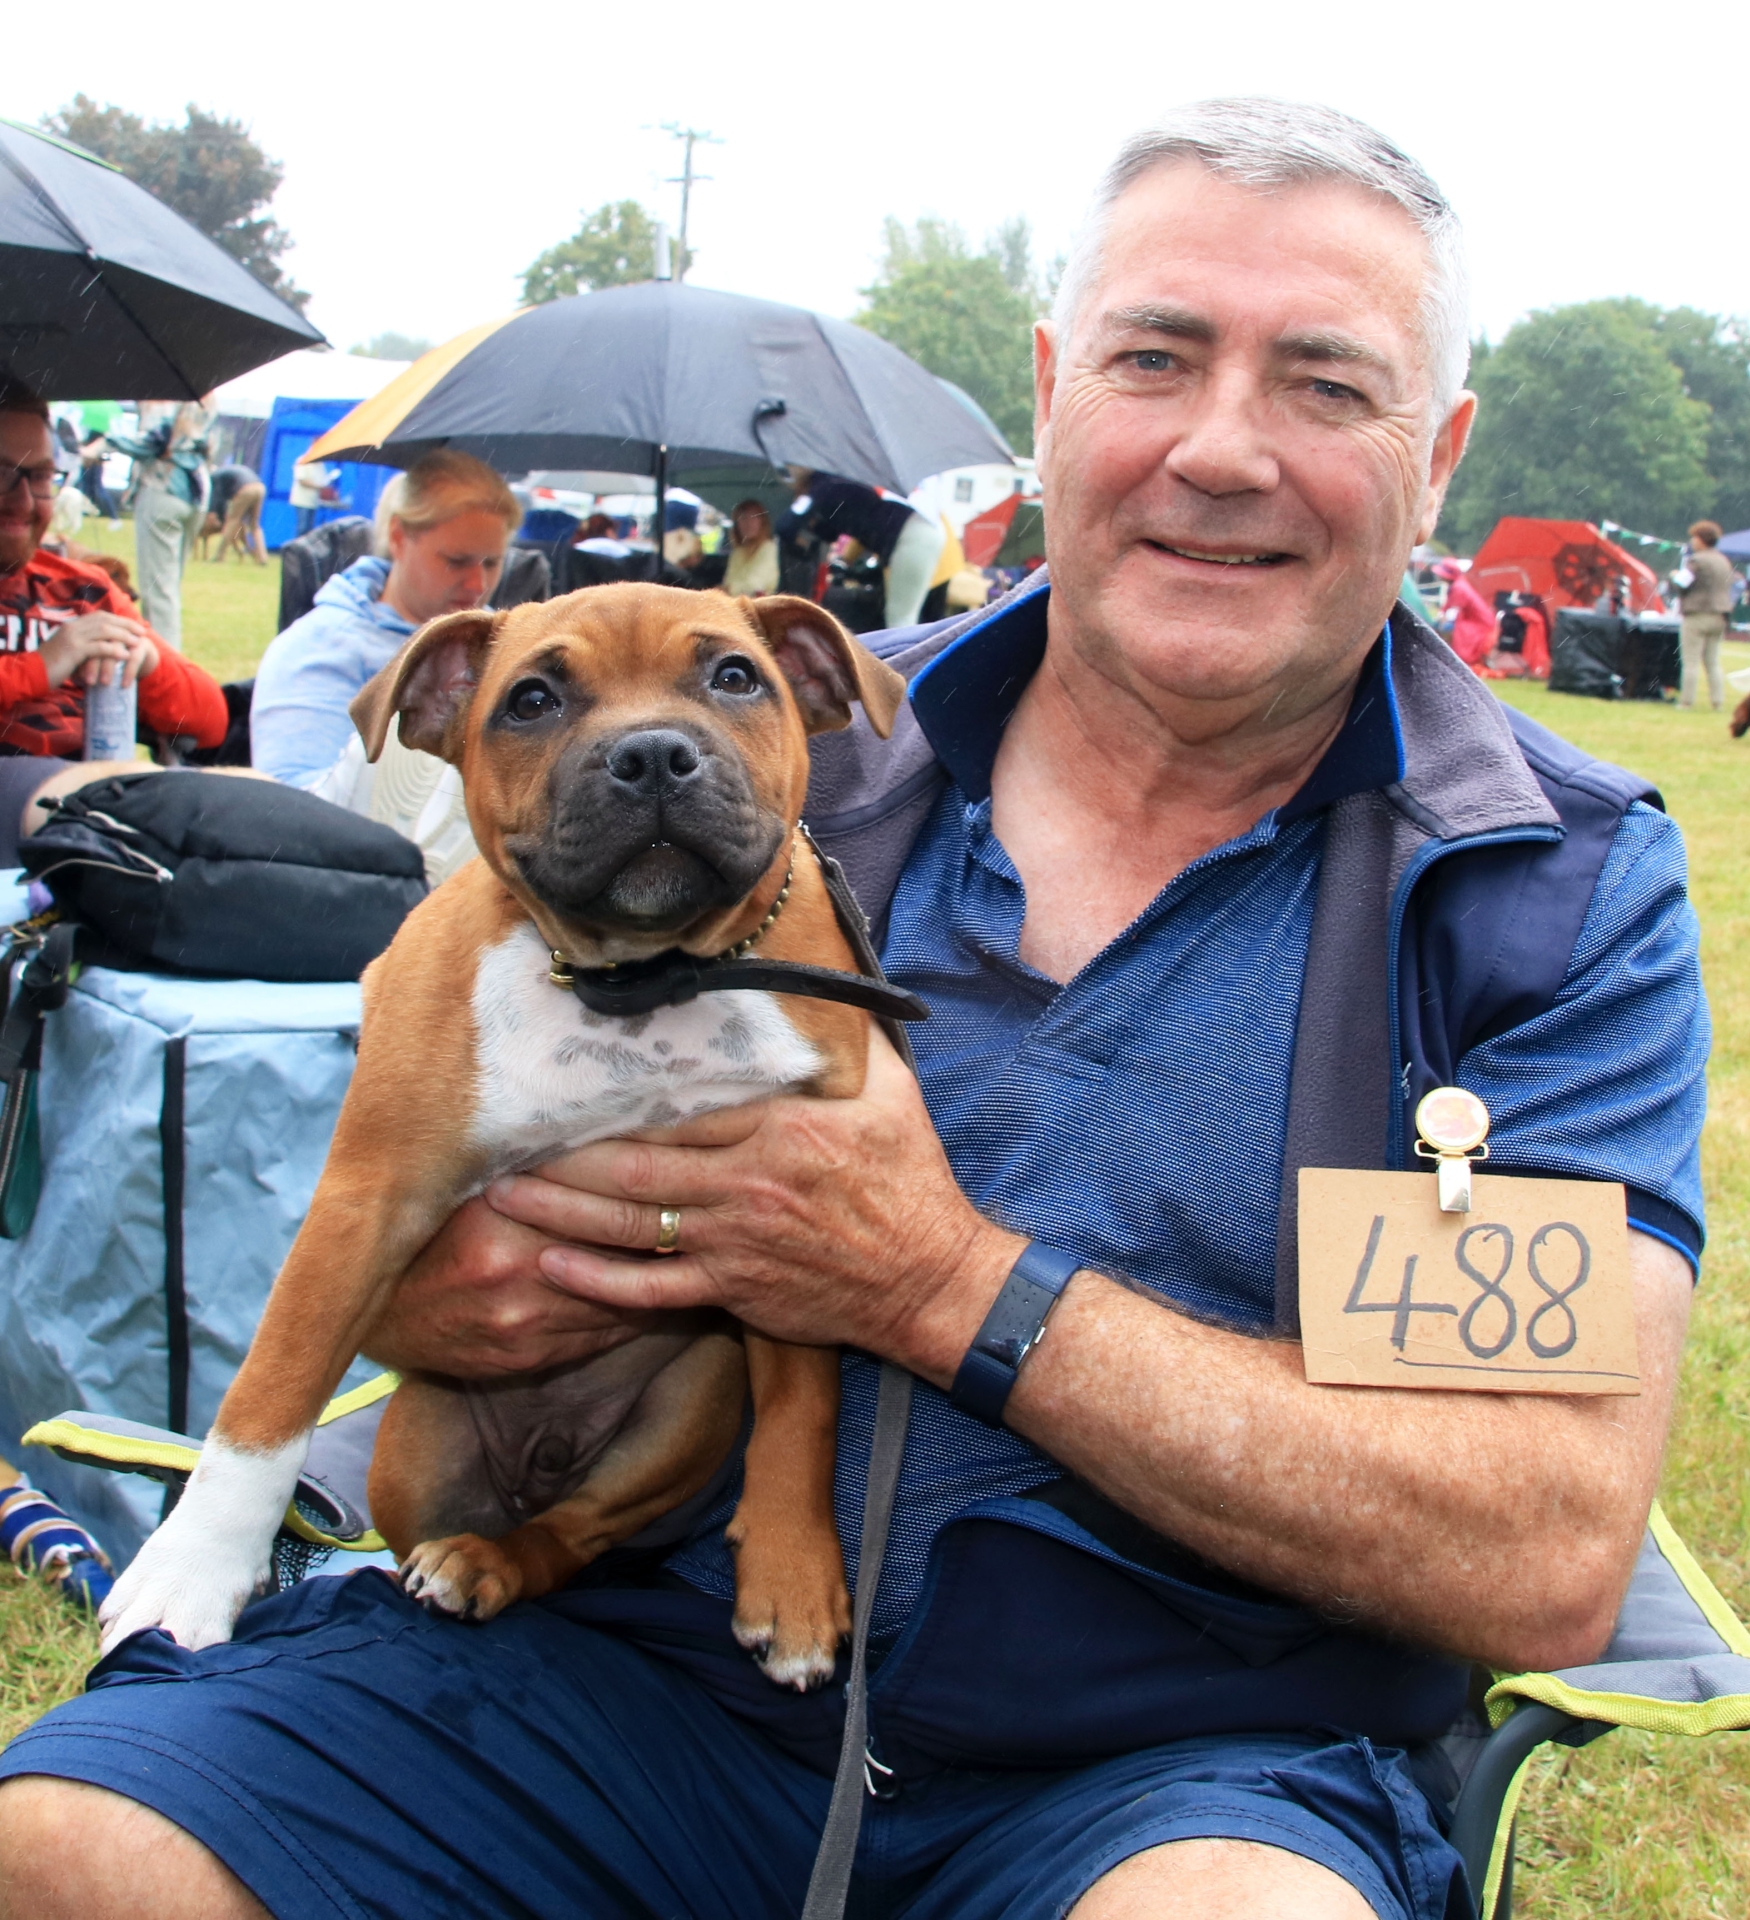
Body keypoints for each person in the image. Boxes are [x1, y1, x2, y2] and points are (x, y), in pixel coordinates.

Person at [0, 100, 1707, 1920]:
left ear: (1436, 457)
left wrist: (946, 1285)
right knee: (75, 1854)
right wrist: (452, 1288)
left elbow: (1531, 1548)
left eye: (1324, 385)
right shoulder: (764, 734)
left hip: (1180, 1755)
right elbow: (411, 1140)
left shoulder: (1536, 894)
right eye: (1154, 359)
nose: (1220, 450)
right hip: (604, 1653)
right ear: (1049, 394)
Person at [0, 382, 228, 865]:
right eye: (1, 474)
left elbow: (209, 721)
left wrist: (146, 664)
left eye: (40, 476)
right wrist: (42, 665)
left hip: (103, 807)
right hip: (50, 811)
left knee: (261, 810)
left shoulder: (82, 590)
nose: (24, 501)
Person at [250, 450, 518, 789]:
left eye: (492, 563)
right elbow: (292, 799)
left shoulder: (509, 641)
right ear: (398, 537)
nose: (478, 584)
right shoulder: (321, 647)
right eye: (456, 561)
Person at [107, 399, 213, 649]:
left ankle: (164, 663)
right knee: (169, 586)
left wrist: (104, 443)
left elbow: (154, 440)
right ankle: (168, 659)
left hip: (163, 488)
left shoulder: (161, 394)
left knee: (158, 593)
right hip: (196, 492)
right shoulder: (205, 392)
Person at [781, 469, 947, 625]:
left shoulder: (820, 487)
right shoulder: (835, 483)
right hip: (920, 532)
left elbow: (786, 525)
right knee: (907, 617)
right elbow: (829, 531)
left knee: (901, 619)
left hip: (915, 536)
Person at [1674, 519, 1734, 711]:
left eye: (1694, 537)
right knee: (1713, 662)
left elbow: (1681, 584)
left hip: (1698, 614)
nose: (1692, 541)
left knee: (1690, 662)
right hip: (1720, 615)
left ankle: (1686, 702)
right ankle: (1717, 702)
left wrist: (1674, 577)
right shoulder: (1724, 561)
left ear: (1701, 539)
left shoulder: (1697, 561)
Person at [1430, 555, 1494, 665]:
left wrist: (1440, 621)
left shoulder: (1458, 588)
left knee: (1447, 628)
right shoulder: (1458, 584)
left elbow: (1452, 613)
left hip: (1479, 625)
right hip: (1471, 620)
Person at [206, 462, 267, 566]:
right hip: (260, 487)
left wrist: (213, 512)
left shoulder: (214, 476)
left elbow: (218, 497)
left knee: (232, 520)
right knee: (255, 525)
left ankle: (219, 555)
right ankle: (262, 558)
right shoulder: (227, 471)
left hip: (245, 489)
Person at [723, 497, 780, 596]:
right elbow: (728, 581)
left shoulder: (769, 548)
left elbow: (756, 585)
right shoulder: (738, 552)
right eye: (743, 518)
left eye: (753, 517)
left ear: (762, 522)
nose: (748, 523)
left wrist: (730, 589)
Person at [288, 457, 338, 539]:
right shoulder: (303, 461)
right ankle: (297, 546)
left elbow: (323, 481)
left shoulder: (320, 464)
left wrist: (329, 485)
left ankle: (306, 546)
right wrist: (319, 486)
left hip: (313, 502)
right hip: (302, 501)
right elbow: (302, 481)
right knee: (302, 527)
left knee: (309, 530)